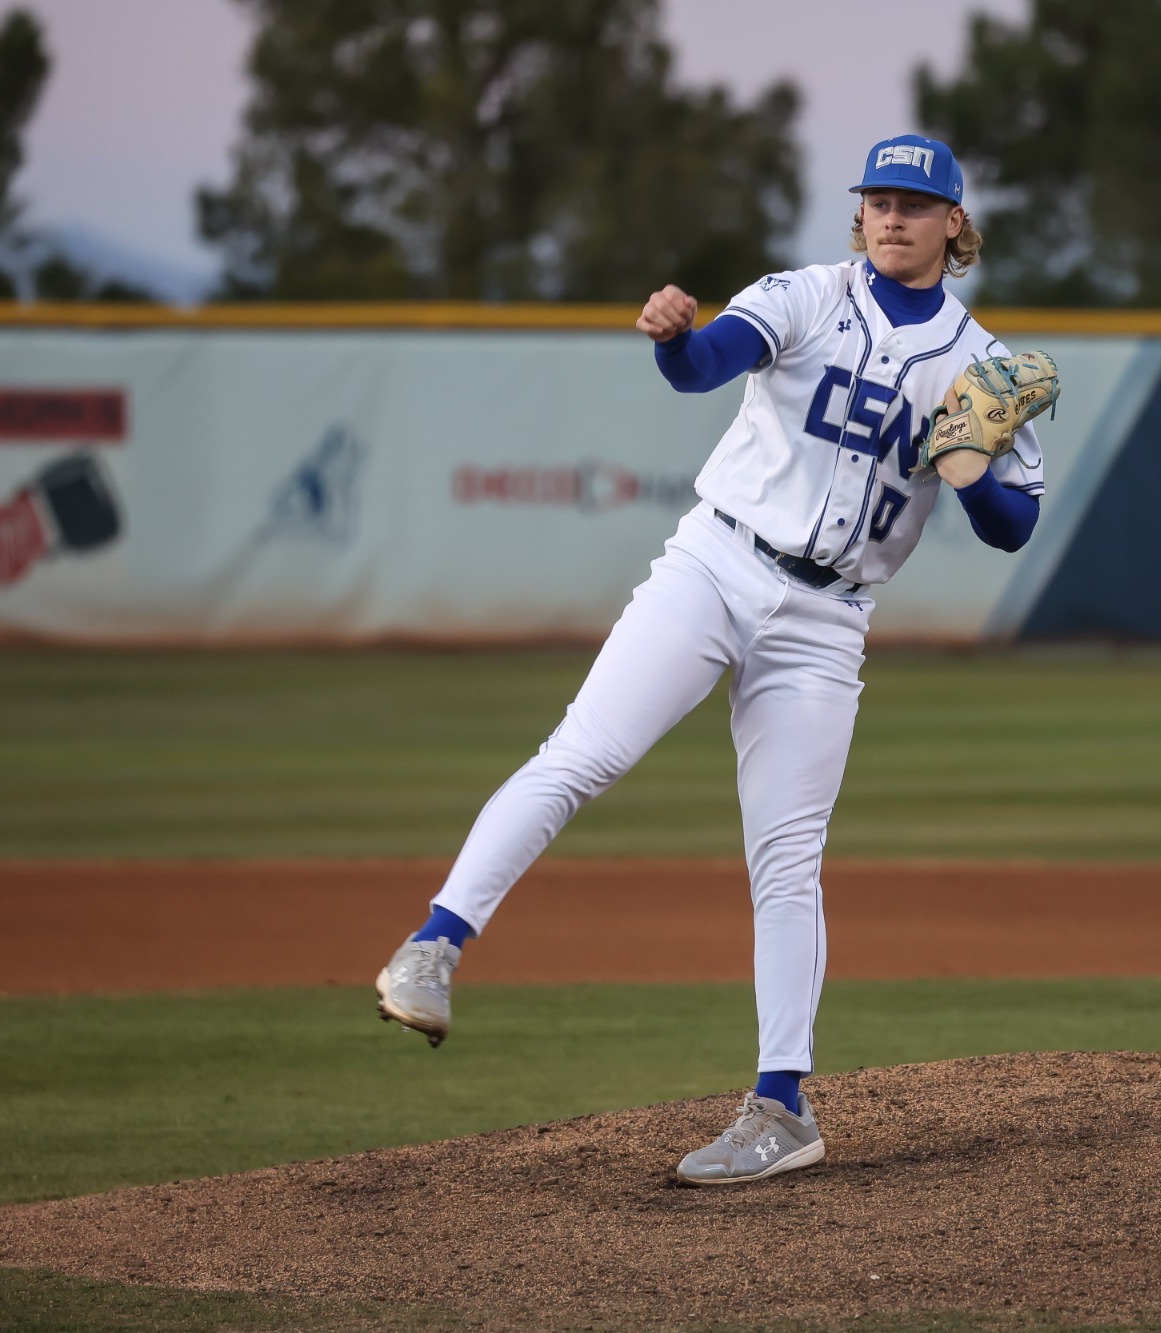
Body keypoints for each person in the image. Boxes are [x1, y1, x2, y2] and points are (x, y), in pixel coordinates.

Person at [375, 133, 1044, 1184]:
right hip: (716, 565)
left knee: (787, 857)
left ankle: (781, 1106)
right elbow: (705, 366)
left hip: (829, 617)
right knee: (583, 751)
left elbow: (1011, 527)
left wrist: (968, 470)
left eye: (916, 204)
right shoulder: (804, 294)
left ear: (955, 223)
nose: (892, 217)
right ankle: (433, 945)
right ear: (859, 211)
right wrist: (673, 338)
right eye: (877, 199)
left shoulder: (985, 366)